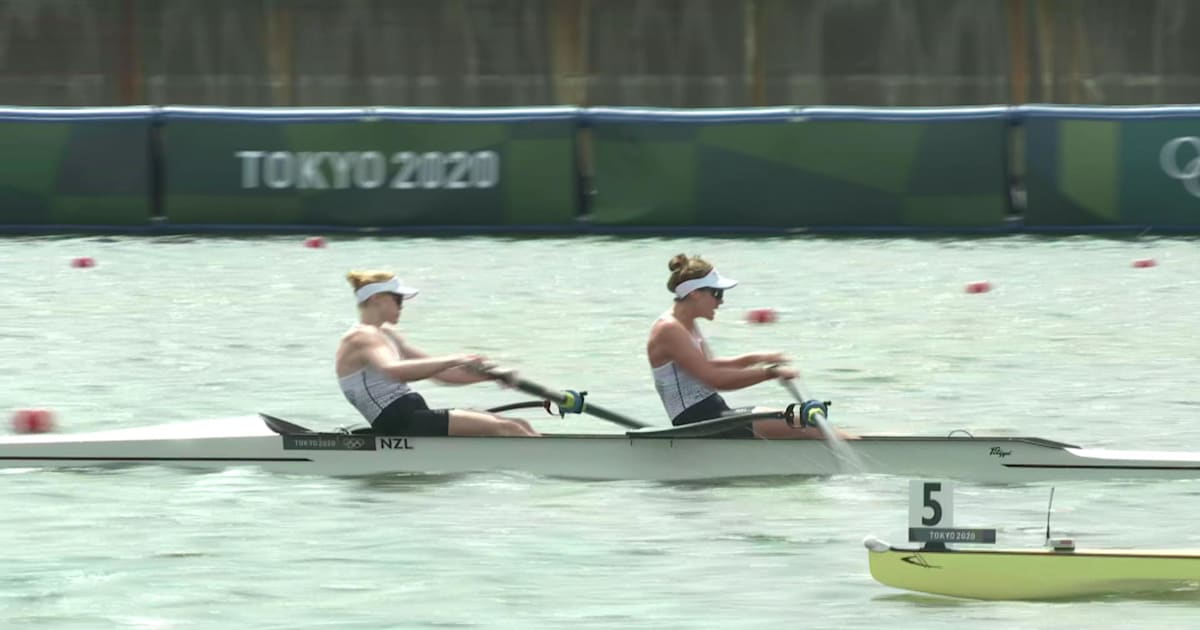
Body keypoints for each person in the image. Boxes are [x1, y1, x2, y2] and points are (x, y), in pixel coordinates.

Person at [646, 254, 839, 439]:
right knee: (809, 427)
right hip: (697, 423)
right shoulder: (669, 329)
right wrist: (770, 372)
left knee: (805, 422)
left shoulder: (686, 322)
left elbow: (710, 365)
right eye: (717, 293)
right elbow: (715, 379)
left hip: (715, 413)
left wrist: (757, 358)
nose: (721, 301)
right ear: (695, 293)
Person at [335, 270, 538, 437]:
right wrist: (455, 358)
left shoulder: (387, 334)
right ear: (376, 299)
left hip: (412, 415)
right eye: (398, 299)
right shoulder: (362, 336)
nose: (402, 306)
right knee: (509, 429)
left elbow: (442, 374)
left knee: (519, 424)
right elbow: (394, 371)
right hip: (398, 420)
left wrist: (492, 376)